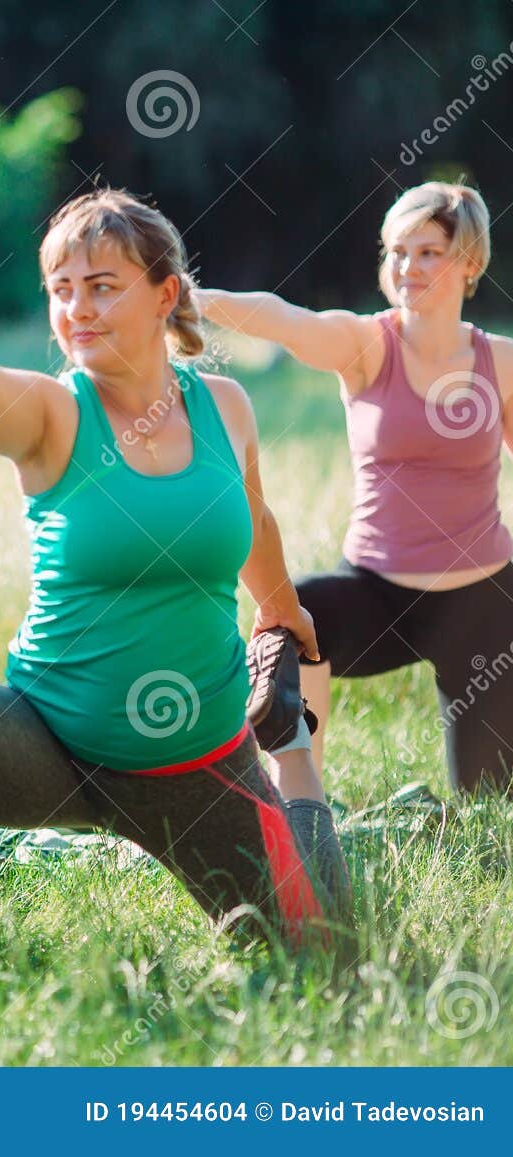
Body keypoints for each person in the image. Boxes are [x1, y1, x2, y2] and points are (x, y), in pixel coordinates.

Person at [0, 189, 351, 948]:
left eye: (103, 286)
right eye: (61, 290)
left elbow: (258, 520)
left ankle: (293, 760)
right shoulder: (51, 416)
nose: (78, 309)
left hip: (198, 761)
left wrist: (282, 613)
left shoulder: (227, 408)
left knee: (323, 951)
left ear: (163, 293)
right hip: (51, 742)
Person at [197, 181, 513, 797]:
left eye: (428, 252)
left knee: (488, 802)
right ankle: (298, 796)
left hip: (485, 605)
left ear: (469, 261)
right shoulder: (367, 345)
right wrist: (197, 299)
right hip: (376, 594)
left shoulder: (499, 362)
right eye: (396, 251)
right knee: (289, 620)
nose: (407, 267)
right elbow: (284, 320)